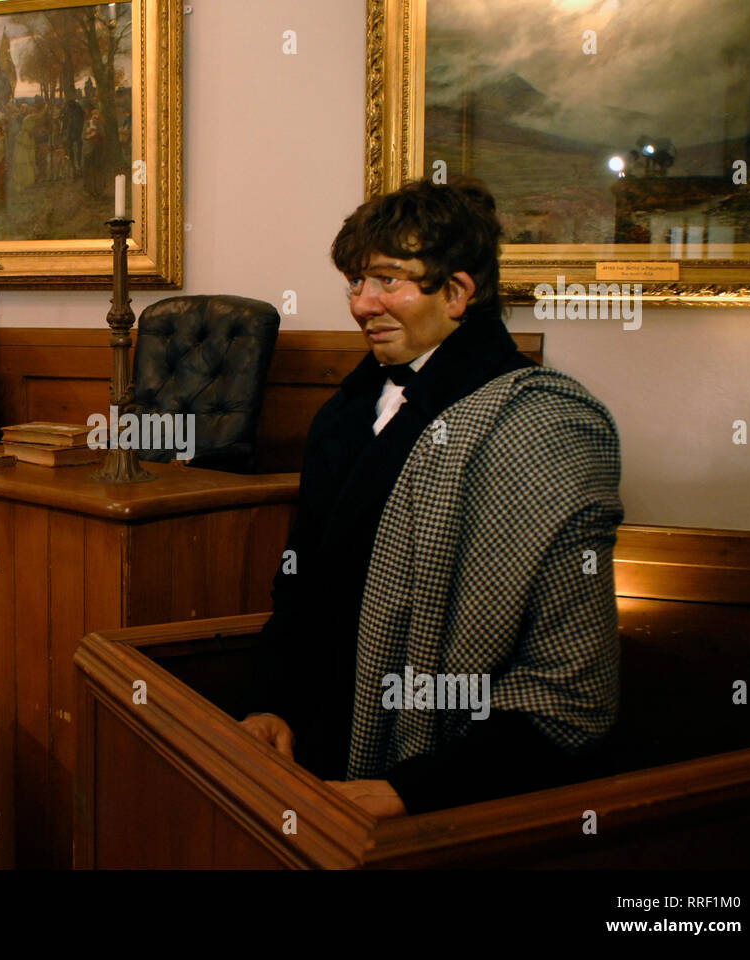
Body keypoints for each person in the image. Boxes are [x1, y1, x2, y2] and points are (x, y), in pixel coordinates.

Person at [241, 178, 623, 820]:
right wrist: (268, 701)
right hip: (311, 757)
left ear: (457, 292)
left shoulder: (545, 427)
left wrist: (416, 792)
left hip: (451, 790)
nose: (363, 305)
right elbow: (300, 587)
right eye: (356, 284)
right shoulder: (346, 410)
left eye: (388, 281)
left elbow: (569, 690)